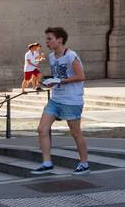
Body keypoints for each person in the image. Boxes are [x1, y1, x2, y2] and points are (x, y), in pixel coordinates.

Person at [30, 27, 89, 175]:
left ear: (60, 40)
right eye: (47, 39)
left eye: (50, 39)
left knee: (75, 132)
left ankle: (84, 163)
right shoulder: (51, 57)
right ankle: (47, 162)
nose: (47, 42)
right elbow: (57, 76)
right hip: (56, 98)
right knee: (42, 129)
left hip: (71, 100)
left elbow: (81, 76)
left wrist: (60, 80)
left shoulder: (71, 56)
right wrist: (48, 81)